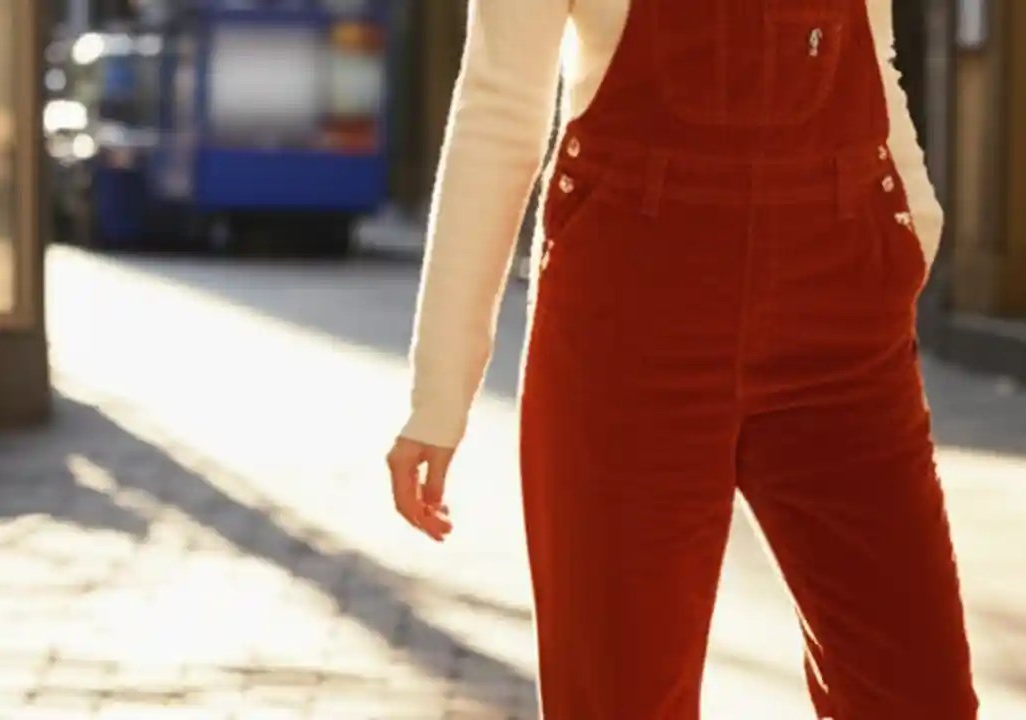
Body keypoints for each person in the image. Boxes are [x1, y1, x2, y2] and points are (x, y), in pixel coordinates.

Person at [385, 0, 978, 717]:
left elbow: (873, 51)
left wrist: (913, 234)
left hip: (842, 326)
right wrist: (439, 393)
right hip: (627, 330)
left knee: (917, 691)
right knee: (620, 696)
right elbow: (499, 111)